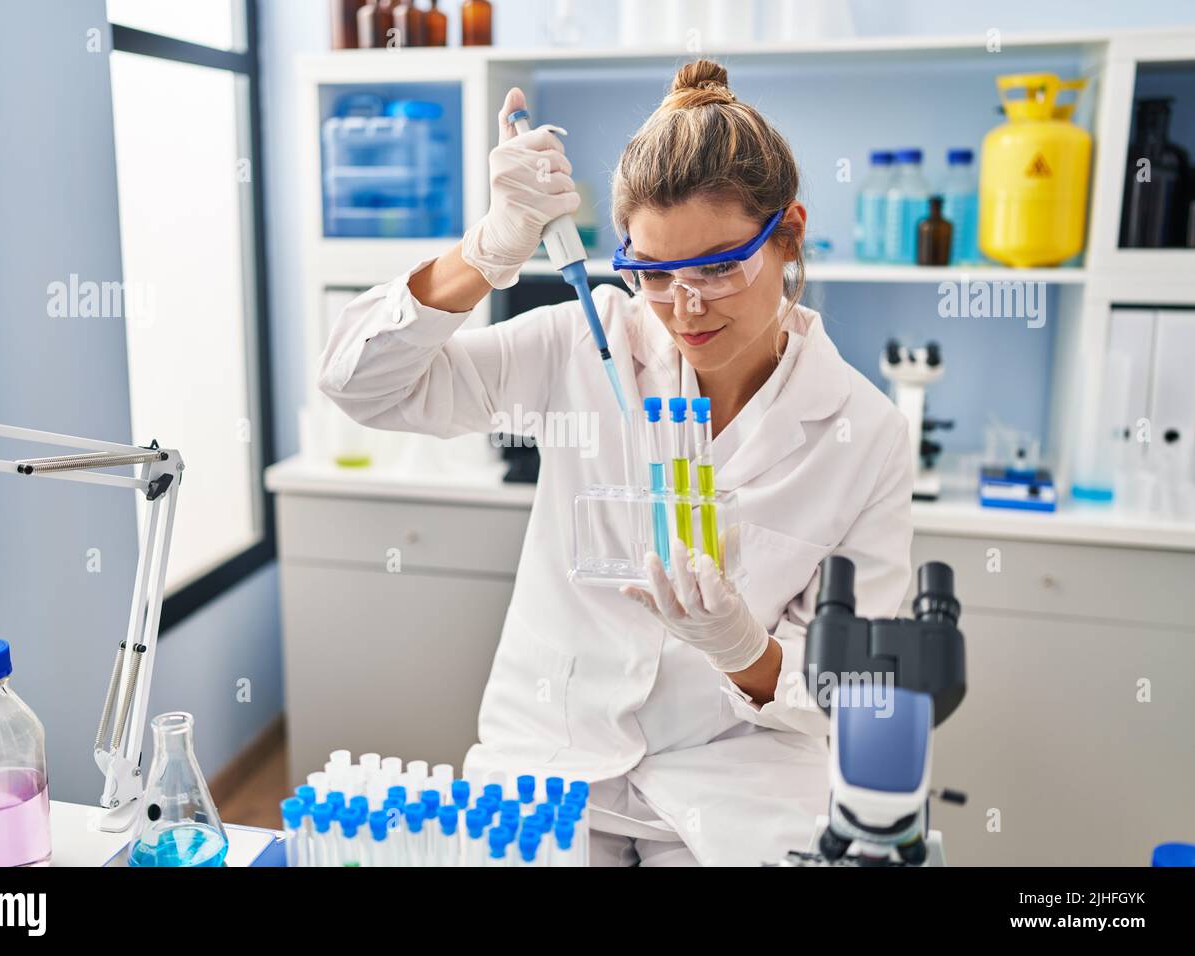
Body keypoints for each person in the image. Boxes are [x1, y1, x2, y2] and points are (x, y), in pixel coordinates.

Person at [320, 59, 912, 866]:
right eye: (655, 273)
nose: (685, 308)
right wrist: (487, 252)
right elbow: (363, 386)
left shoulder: (865, 432)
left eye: (718, 267)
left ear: (791, 235)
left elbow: (855, 695)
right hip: (551, 770)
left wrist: (747, 652)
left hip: (735, 784)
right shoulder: (588, 342)